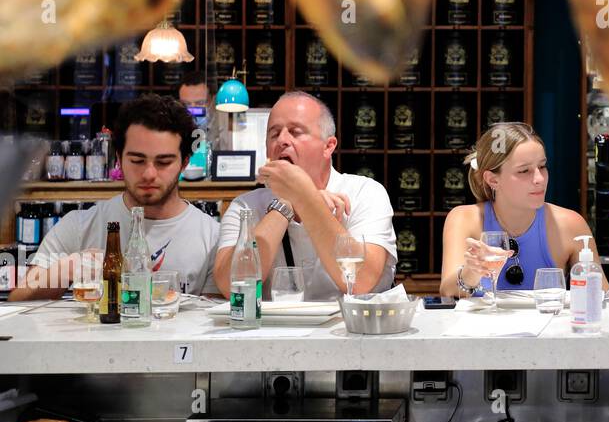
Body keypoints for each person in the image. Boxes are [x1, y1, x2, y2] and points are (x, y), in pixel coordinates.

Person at [10, 95, 221, 300]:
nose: (149, 173)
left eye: (163, 162)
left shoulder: (211, 237)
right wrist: (67, 268)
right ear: (119, 159)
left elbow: (209, 321)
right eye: (137, 161)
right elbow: (18, 301)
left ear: (184, 163)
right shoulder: (79, 226)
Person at [214, 92, 396, 300]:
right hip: (272, 330)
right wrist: (288, 203)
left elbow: (361, 280)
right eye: (274, 134)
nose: (282, 140)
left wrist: (308, 201)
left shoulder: (366, 193)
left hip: (351, 329)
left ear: (328, 146)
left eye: (295, 132)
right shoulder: (245, 206)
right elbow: (230, 287)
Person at [440, 122, 609, 299]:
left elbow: (603, 299)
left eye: (542, 166)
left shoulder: (571, 224)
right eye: (524, 171)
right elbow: (447, 291)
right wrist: (472, 271)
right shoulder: (463, 219)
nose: (539, 179)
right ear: (493, 179)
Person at [178, 69, 225, 155]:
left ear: (212, 101)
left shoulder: (225, 126)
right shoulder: (175, 126)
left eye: (200, 103)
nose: (193, 110)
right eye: (186, 104)